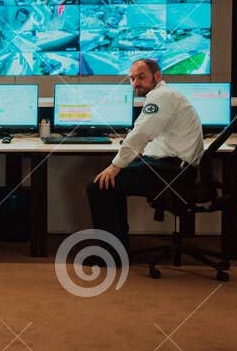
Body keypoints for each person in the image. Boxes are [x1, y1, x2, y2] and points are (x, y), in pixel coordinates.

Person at [85, 57, 204, 245]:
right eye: (132, 79)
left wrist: (115, 166)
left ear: (157, 76)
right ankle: (117, 246)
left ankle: (112, 252)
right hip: (173, 166)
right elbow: (155, 134)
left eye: (141, 77)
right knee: (108, 183)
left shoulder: (162, 96)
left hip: (173, 170)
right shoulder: (165, 95)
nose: (135, 84)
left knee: (100, 185)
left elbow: (142, 132)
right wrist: (137, 152)